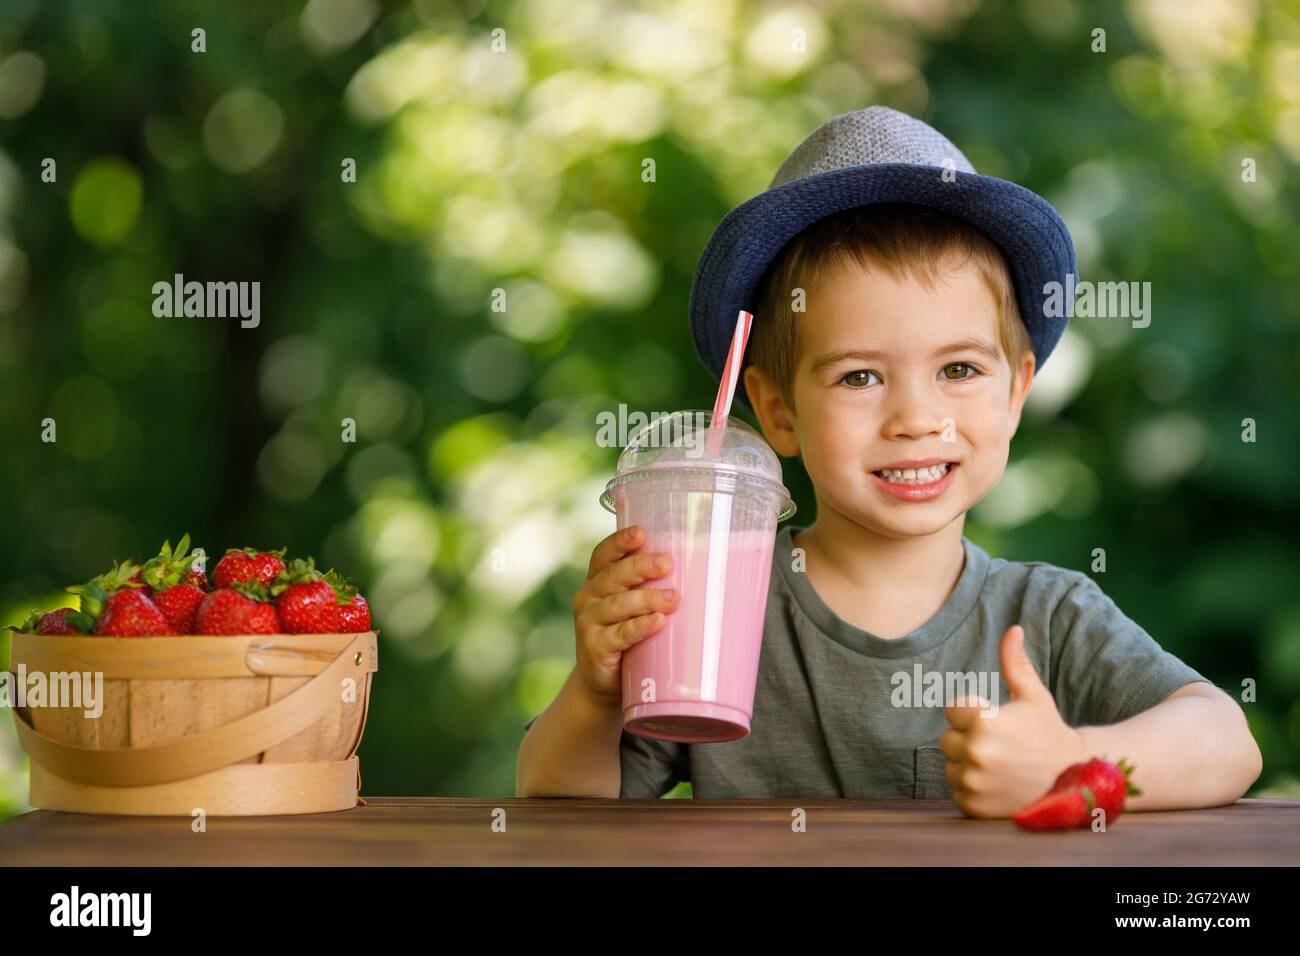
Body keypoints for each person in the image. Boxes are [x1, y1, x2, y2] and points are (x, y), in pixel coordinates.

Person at [516, 107, 1262, 816]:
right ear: (778, 412)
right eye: (860, 377)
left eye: (960, 370)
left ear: (1016, 391)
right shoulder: (716, 606)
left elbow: (1226, 742)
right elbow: (563, 807)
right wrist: (593, 693)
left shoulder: (1047, 619)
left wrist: (1071, 765)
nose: (915, 419)